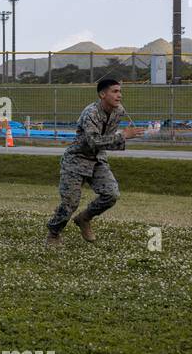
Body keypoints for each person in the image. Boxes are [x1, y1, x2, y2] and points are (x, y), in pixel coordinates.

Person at [45, 78, 144, 247]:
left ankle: (84, 219)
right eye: (115, 91)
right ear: (102, 94)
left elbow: (106, 142)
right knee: (70, 203)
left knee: (111, 194)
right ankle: (53, 233)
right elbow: (94, 141)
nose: (119, 95)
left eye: (120, 91)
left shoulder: (119, 111)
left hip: (98, 159)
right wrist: (123, 136)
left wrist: (121, 137)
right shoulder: (90, 113)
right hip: (76, 160)